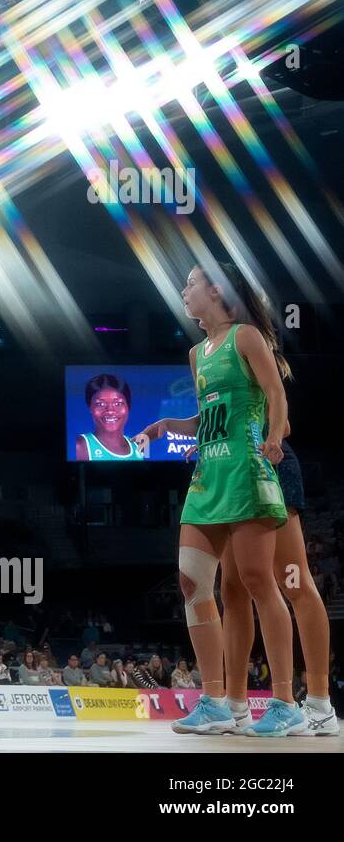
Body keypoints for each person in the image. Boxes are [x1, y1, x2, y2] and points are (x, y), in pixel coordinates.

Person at [136, 263, 303, 736]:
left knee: (256, 582)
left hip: (246, 471)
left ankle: (285, 702)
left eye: (190, 283)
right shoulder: (196, 353)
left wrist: (273, 437)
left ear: (215, 290)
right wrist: (169, 426)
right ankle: (214, 701)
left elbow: (275, 394)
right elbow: (210, 412)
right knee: (191, 584)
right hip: (208, 475)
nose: (183, 290)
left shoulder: (246, 337)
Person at [217, 440, 337, 735]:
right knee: (232, 589)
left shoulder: (265, 394)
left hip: (267, 464)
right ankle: (236, 706)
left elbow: (281, 423)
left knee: (293, 581)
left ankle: (320, 705)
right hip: (228, 470)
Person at [75, 374, 143, 461]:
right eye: (100, 404)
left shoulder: (137, 446)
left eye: (118, 403)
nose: (110, 410)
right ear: (90, 408)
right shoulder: (81, 446)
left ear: (128, 407)